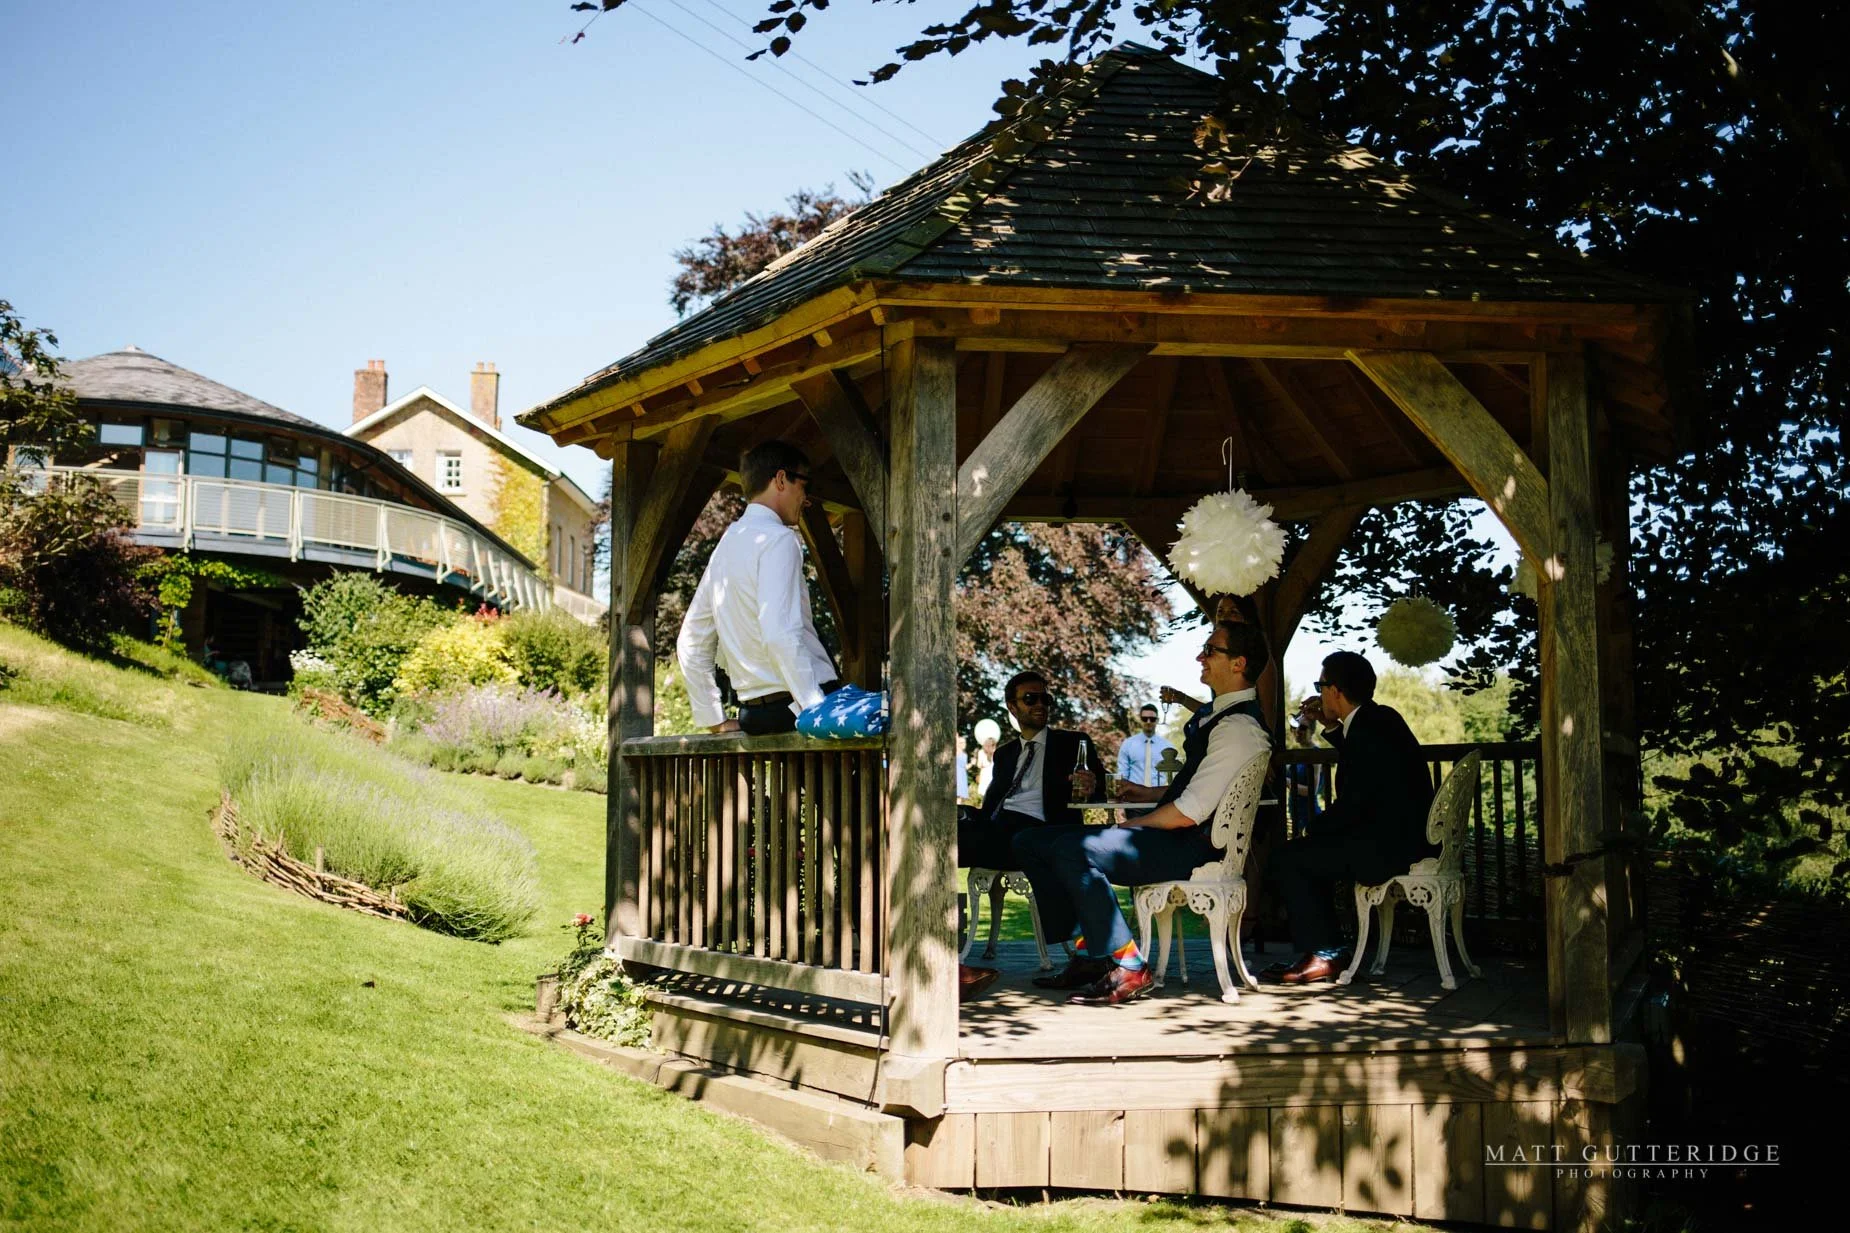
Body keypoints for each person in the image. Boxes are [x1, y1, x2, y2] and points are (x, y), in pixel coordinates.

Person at [1010, 621, 1271, 1005]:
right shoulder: (1223, 720)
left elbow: (1187, 811)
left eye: (1210, 650)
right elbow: (1194, 788)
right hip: (1176, 836)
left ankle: (1129, 965)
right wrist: (1144, 793)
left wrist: (1134, 823)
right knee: (1029, 841)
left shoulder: (1237, 727)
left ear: (1238, 663)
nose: (1201, 656)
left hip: (1192, 847)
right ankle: (1089, 952)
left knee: (1072, 847)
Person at [1265, 651, 1438, 985]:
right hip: (1400, 838)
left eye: (1321, 685)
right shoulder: (1379, 719)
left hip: (1388, 848)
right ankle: (1326, 950)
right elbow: (1361, 768)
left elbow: (1356, 802)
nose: (1319, 692)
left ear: (1335, 691)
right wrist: (1332, 724)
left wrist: (1313, 827)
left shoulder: (1369, 730)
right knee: (1305, 855)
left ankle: (1325, 954)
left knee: (1289, 858)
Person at [676, 440, 841, 735]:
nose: (807, 498)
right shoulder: (778, 539)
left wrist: (714, 718)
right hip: (802, 706)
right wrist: (816, 709)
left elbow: (690, 641)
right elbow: (779, 634)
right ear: (780, 479)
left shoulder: (725, 547)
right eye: (805, 484)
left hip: (754, 715)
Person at [956, 671, 1102, 872]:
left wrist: (1091, 787)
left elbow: (1103, 788)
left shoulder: (1073, 743)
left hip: (1041, 831)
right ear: (1012, 707)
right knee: (937, 833)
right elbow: (990, 809)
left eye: (1045, 699)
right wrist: (960, 812)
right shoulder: (1004, 754)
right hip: (999, 829)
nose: (1040, 704)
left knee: (952, 842)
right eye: (1030, 699)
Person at [1116, 702, 1174, 821]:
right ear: (1140, 719)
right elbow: (1122, 774)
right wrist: (1120, 806)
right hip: (1133, 802)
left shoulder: (1167, 746)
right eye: (1144, 718)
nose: (1148, 722)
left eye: (1152, 719)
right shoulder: (1128, 744)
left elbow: (1172, 776)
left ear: (1157, 720)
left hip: (1159, 801)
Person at [972, 718, 1001, 798]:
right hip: (993, 773)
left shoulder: (981, 752)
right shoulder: (996, 751)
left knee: (985, 797)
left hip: (985, 774)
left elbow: (979, 765)